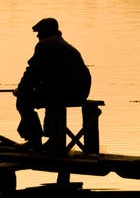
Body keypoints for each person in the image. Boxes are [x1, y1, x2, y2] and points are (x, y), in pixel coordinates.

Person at [15, 18, 91, 150]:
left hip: (65, 91)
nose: (37, 36)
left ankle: (35, 139)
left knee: (23, 100)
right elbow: (49, 75)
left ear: (45, 32)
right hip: (80, 91)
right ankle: (54, 139)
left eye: (39, 32)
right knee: (51, 97)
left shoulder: (45, 45)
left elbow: (32, 72)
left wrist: (21, 90)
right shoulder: (62, 44)